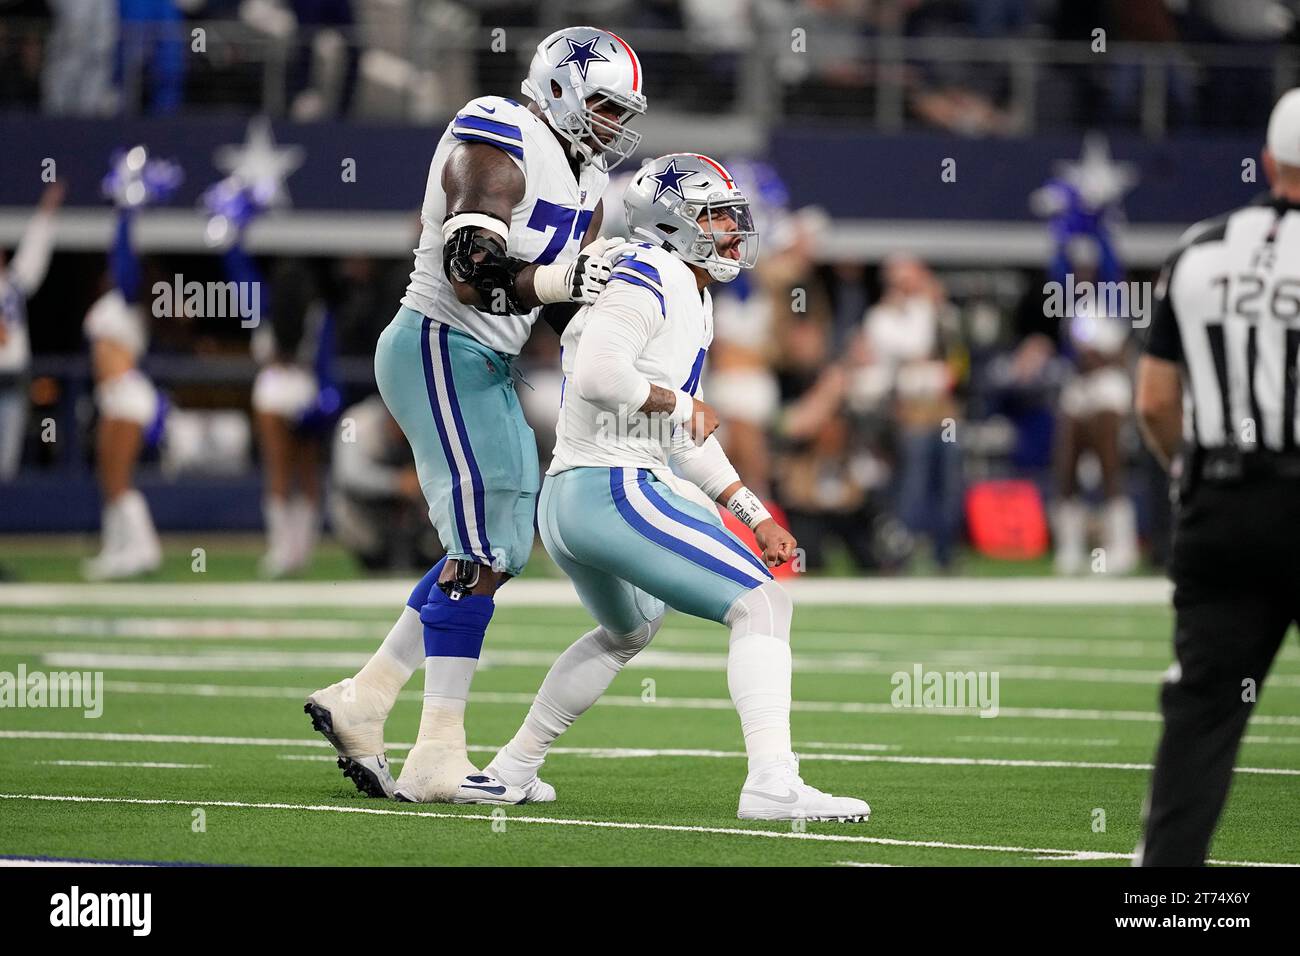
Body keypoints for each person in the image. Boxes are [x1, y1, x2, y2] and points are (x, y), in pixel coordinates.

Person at [304, 26, 647, 803]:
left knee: (497, 541)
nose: (614, 124)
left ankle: (366, 696)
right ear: (558, 90)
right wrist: (566, 284)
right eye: (603, 105)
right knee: (487, 540)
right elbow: (471, 271)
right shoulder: (500, 134)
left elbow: (562, 305)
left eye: (623, 111)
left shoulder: (589, 179)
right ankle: (436, 752)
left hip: (485, 357)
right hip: (438, 339)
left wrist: (623, 351)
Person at [484, 153, 871, 822]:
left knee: (627, 631)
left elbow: (681, 434)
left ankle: (512, 767)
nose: (732, 230)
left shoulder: (690, 290)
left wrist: (752, 512)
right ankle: (772, 781)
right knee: (763, 605)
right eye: (716, 216)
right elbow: (603, 378)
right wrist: (677, 402)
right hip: (612, 487)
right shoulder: (649, 271)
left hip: (580, 497)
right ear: (670, 222)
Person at [1133, 88, 1300, 866]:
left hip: (1222, 504)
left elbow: (1154, 401)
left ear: (1267, 163)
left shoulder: (1198, 250)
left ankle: (1169, 903)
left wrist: (1190, 477)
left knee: (1201, 712)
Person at [83, 147, 180, 580]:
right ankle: (117, 550)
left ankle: (143, 551)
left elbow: (121, 253)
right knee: (109, 478)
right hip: (113, 394)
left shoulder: (127, 300)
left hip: (127, 393)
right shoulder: (116, 303)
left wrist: (126, 211)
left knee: (120, 478)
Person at [0, 182, 62, 480]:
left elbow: (34, 252)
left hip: (13, 378)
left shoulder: (13, 283)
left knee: (8, 454)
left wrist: (47, 210)